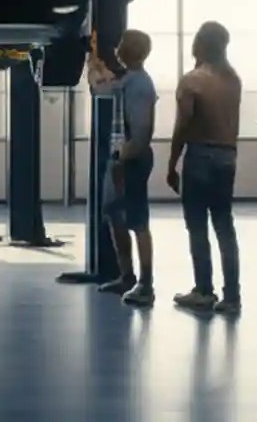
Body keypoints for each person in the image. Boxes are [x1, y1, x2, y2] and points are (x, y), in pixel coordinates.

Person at [168, 22, 243, 314]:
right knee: (224, 226)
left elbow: (183, 125)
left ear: (198, 44)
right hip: (227, 156)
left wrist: (172, 162)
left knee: (197, 225)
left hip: (199, 155)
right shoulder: (233, 79)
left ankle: (203, 290)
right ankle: (232, 295)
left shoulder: (192, 80)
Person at [90, 29, 158, 306]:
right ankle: (127, 276)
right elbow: (100, 87)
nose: (116, 48)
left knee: (137, 221)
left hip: (130, 161)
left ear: (131, 50)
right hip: (119, 158)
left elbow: (142, 133)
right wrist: (93, 58)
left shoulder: (140, 85)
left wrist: (123, 160)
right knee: (115, 216)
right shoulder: (127, 80)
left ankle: (146, 284)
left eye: (121, 44)